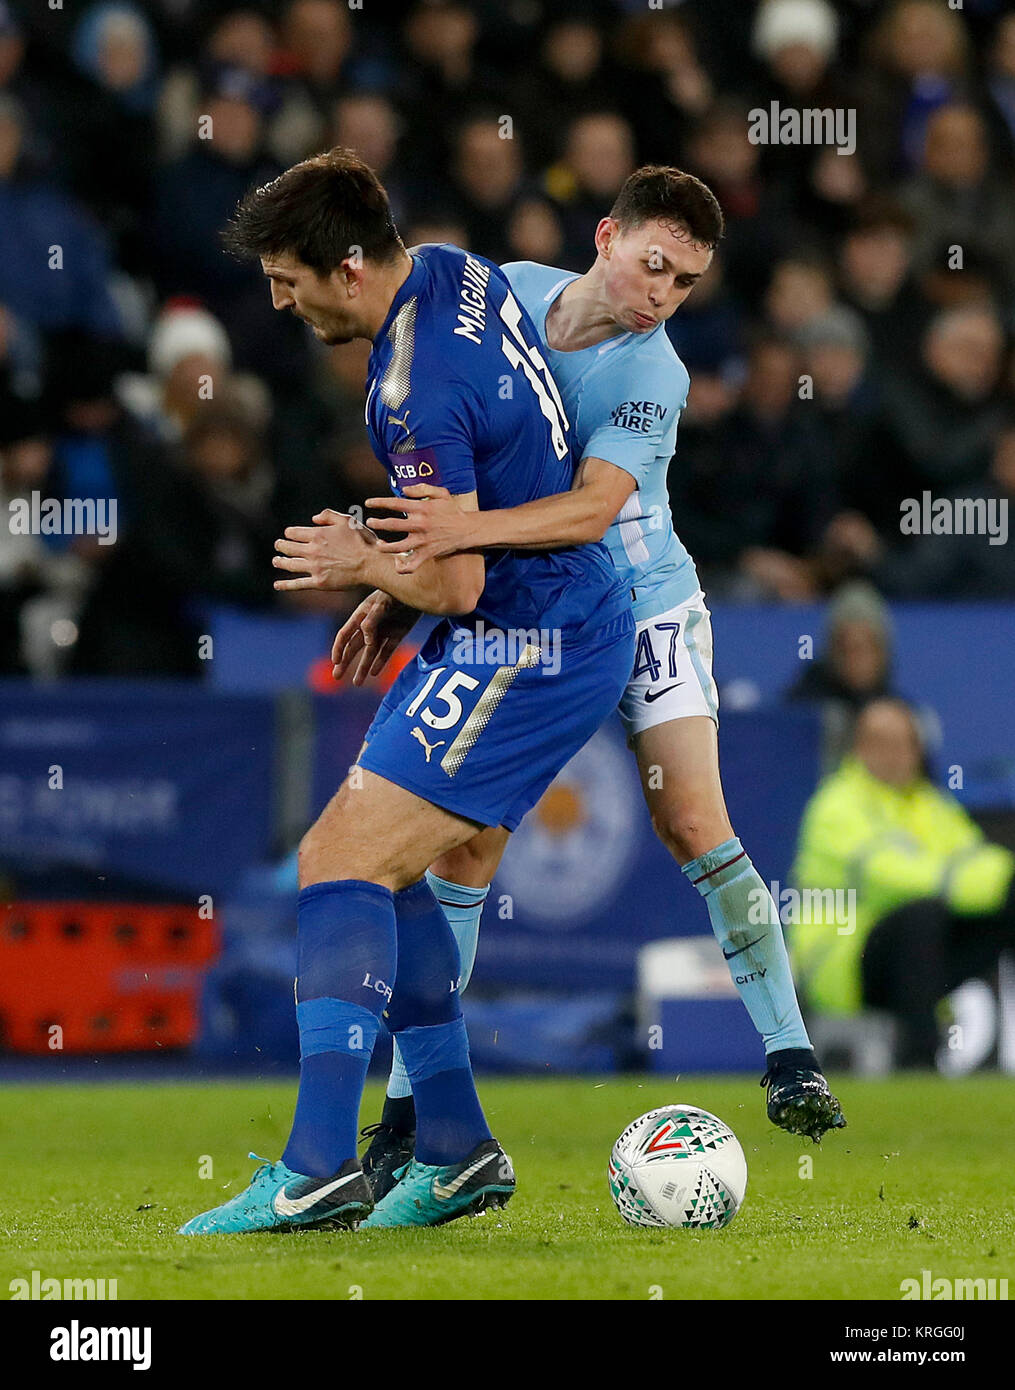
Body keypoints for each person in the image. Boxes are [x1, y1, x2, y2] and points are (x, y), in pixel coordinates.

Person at [307, 166, 846, 1200]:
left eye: (686, 283)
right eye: (654, 265)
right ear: (606, 237)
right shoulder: (503, 292)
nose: (662, 296)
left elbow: (591, 511)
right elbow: (454, 464)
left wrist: (444, 545)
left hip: (640, 606)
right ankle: (415, 1111)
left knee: (692, 820)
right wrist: (411, 584)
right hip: (526, 610)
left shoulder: (657, 374)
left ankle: (789, 1055)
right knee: (463, 845)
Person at [179, 147, 636, 1234]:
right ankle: (456, 1146)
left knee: (338, 860)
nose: (277, 299)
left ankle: (318, 1167)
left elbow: (459, 571)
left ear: (346, 266)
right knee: (387, 869)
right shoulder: (449, 266)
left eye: (288, 278)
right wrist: (399, 595)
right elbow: (478, 490)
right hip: (536, 613)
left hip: (527, 632)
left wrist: (362, 561)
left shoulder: (406, 390)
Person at [791, 699, 1015, 1068]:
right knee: (922, 915)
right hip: (843, 965)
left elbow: (977, 857)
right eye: (881, 743)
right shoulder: (836, 803)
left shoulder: (930, 803)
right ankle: (920, 1059)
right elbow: (889, 877)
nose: (895, 754)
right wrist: (977, 881)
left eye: (905, 743)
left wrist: (1006, 884)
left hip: (916, 957)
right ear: (859, 748)